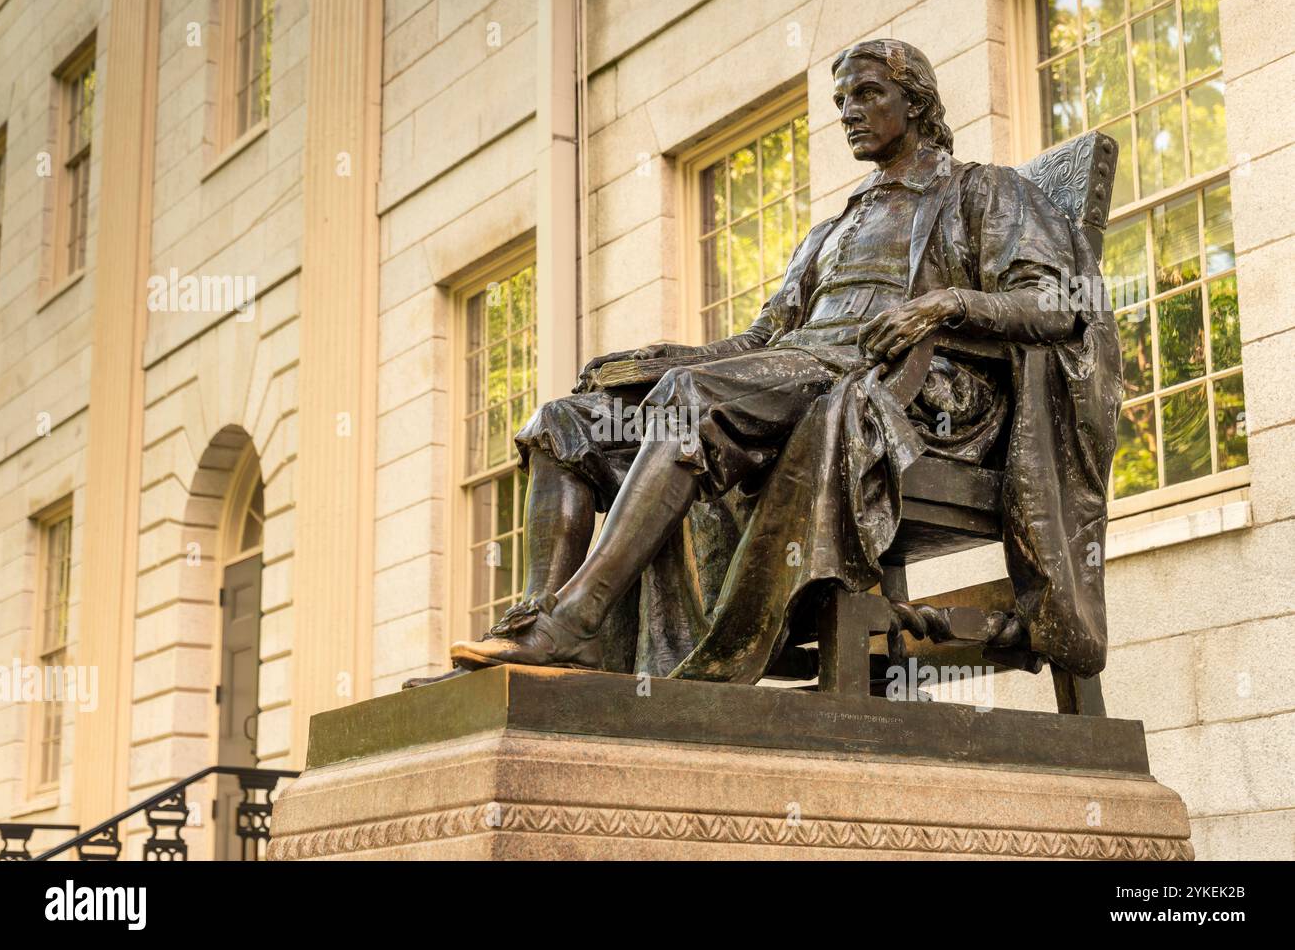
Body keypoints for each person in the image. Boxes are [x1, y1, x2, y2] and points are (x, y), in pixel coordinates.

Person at [440, 39, 1121, 684]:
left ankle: (578, 617)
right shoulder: (832, 229)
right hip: (797, 373)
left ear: (915, 103)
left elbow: (1058, 303)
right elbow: (762, 338)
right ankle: (541, 623)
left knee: (689, 400)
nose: (849, 112)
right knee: (569, 421)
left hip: (907, 395)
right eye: (840, 101)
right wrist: (667, 359)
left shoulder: (983, 191)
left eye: (866, 94)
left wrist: (942, 304)